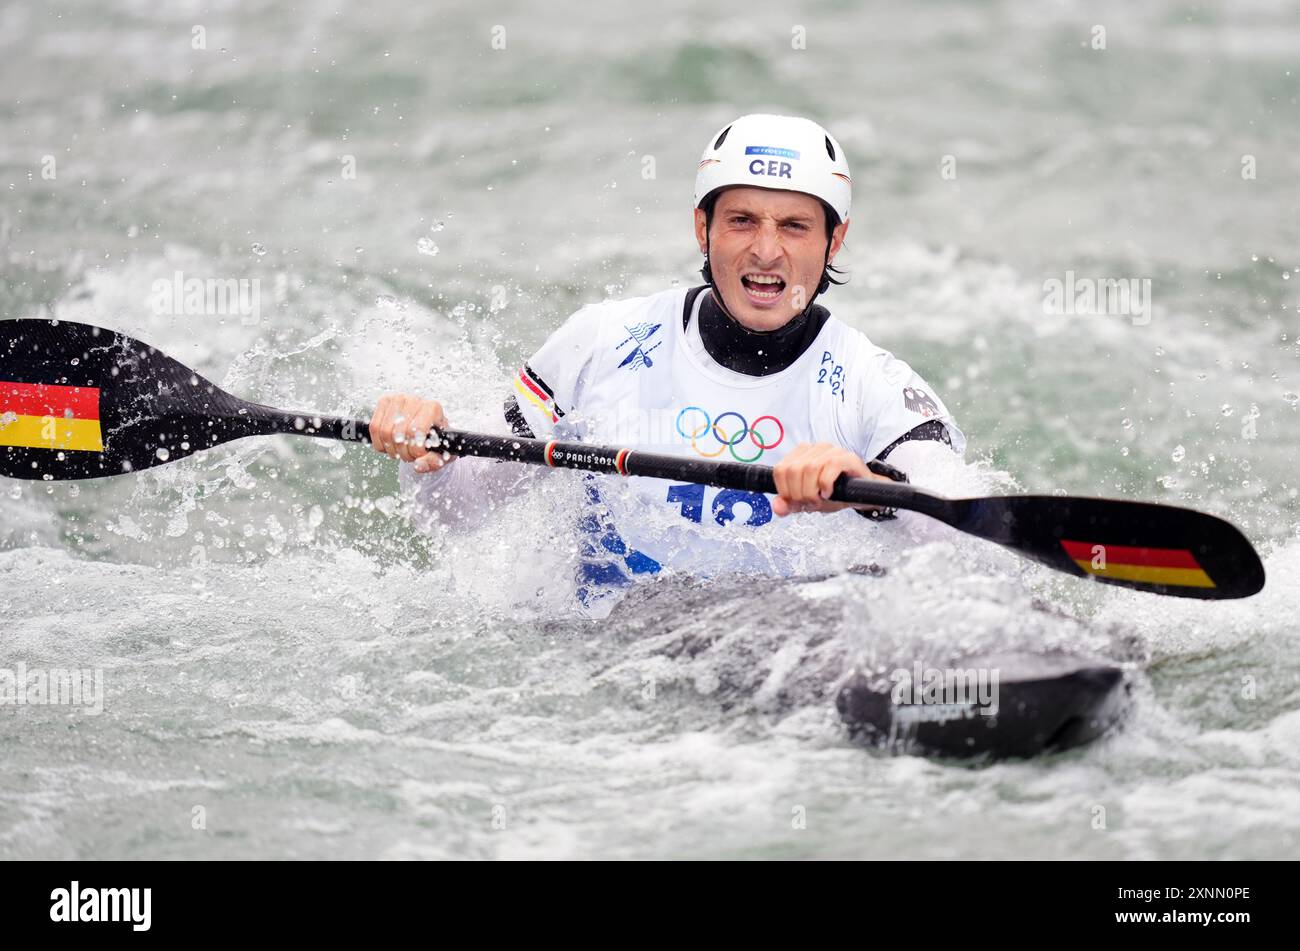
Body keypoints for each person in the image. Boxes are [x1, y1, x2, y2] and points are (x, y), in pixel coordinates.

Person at [370, 114, 966, 603]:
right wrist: (430, 449)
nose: (766, 251)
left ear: (833, 241)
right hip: (608, 652)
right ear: (702, 229)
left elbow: (967, 535)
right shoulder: (601, 343)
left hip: (792, 649)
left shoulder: (877, 387)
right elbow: (455, 514)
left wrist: (870, 489)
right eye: (741, 221)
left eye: (794, 226)